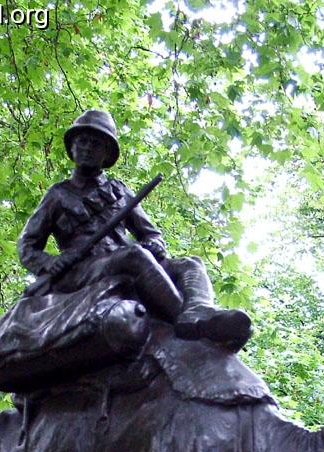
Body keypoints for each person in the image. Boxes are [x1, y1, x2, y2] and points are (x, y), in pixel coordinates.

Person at [17, 109, 251, 346]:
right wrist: (49, 262)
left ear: (106, 153)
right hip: (82, 270)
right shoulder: (57, 195)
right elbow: (27, 246)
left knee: (190, 263)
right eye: (82, 141)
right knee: (134, 256)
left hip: (124, 259)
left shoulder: (119, 191)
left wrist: (154, 245)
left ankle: (198, 311)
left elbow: (152, 235)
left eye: (96, 144)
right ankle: (190, 324)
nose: (88, 148)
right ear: (72, 147)